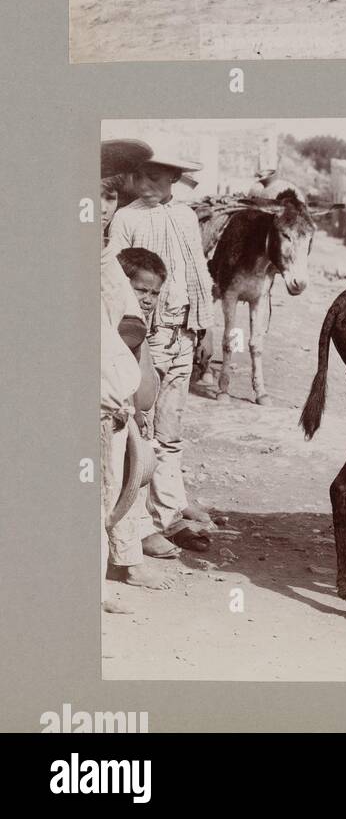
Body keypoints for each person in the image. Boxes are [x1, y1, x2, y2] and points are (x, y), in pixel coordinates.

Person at [105, 142, 216, 557]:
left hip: (182, 335)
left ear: (174, 179)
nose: (146, 185)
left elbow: (199, 272)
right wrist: (134, 337)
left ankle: (169, 516)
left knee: (170, 434)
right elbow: (117, 283)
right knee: (139, 436)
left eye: (156, 177)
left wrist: (206, 326)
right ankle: (135, 529)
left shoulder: (186, 216)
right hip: (145, 338)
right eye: (141, 176)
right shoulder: (126, 219)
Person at [99, 140, 173, 605]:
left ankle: (119, 566)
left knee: (117, 482)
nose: (101, 206)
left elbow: (130, 332)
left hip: (112, 405)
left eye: (109, 195)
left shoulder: (106, 258)